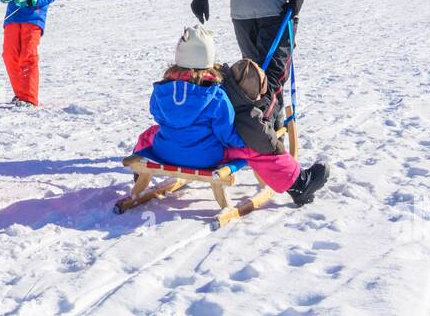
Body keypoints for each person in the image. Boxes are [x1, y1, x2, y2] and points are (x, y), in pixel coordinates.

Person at [132, 26, 328, 205]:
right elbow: (225, 135)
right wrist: (244, 140)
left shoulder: (161, 91)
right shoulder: (216, 97)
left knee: (150, 133)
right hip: (206, 157)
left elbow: (157, 115)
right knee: (255, 149)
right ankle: (299, 184)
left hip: (165, 152)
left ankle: (139, 171)